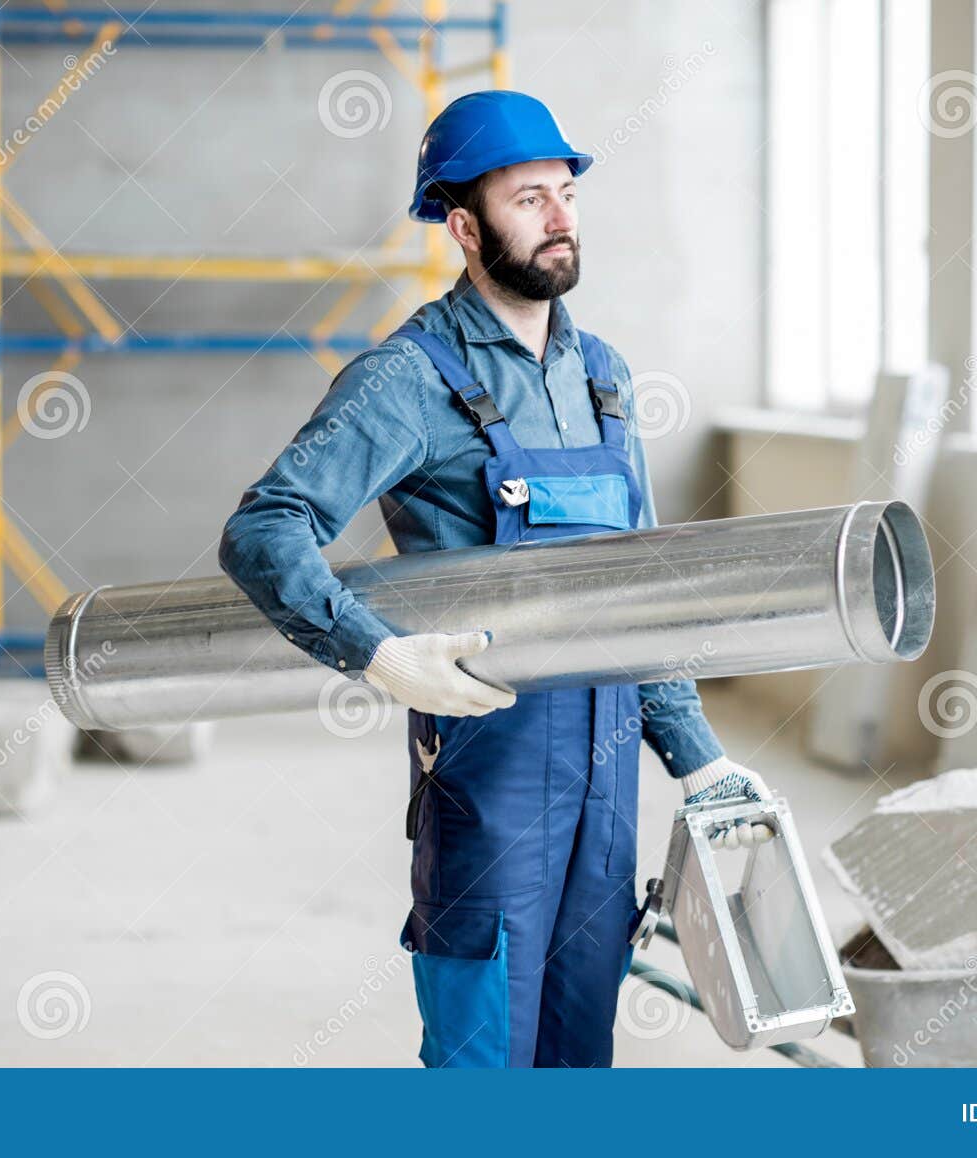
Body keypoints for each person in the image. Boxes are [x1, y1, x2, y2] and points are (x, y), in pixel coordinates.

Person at [220, 90, 773, 1068]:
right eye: (529, 199)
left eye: (566, 192)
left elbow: (635, 595)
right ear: (467, 228)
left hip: (605, 786)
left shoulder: (602, 373)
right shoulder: (407, 380)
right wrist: (375, 653)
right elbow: (264, 530)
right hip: (491, 779)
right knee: (480, 1063)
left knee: (578, 1051)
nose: (560, 218)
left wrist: (699, 759)